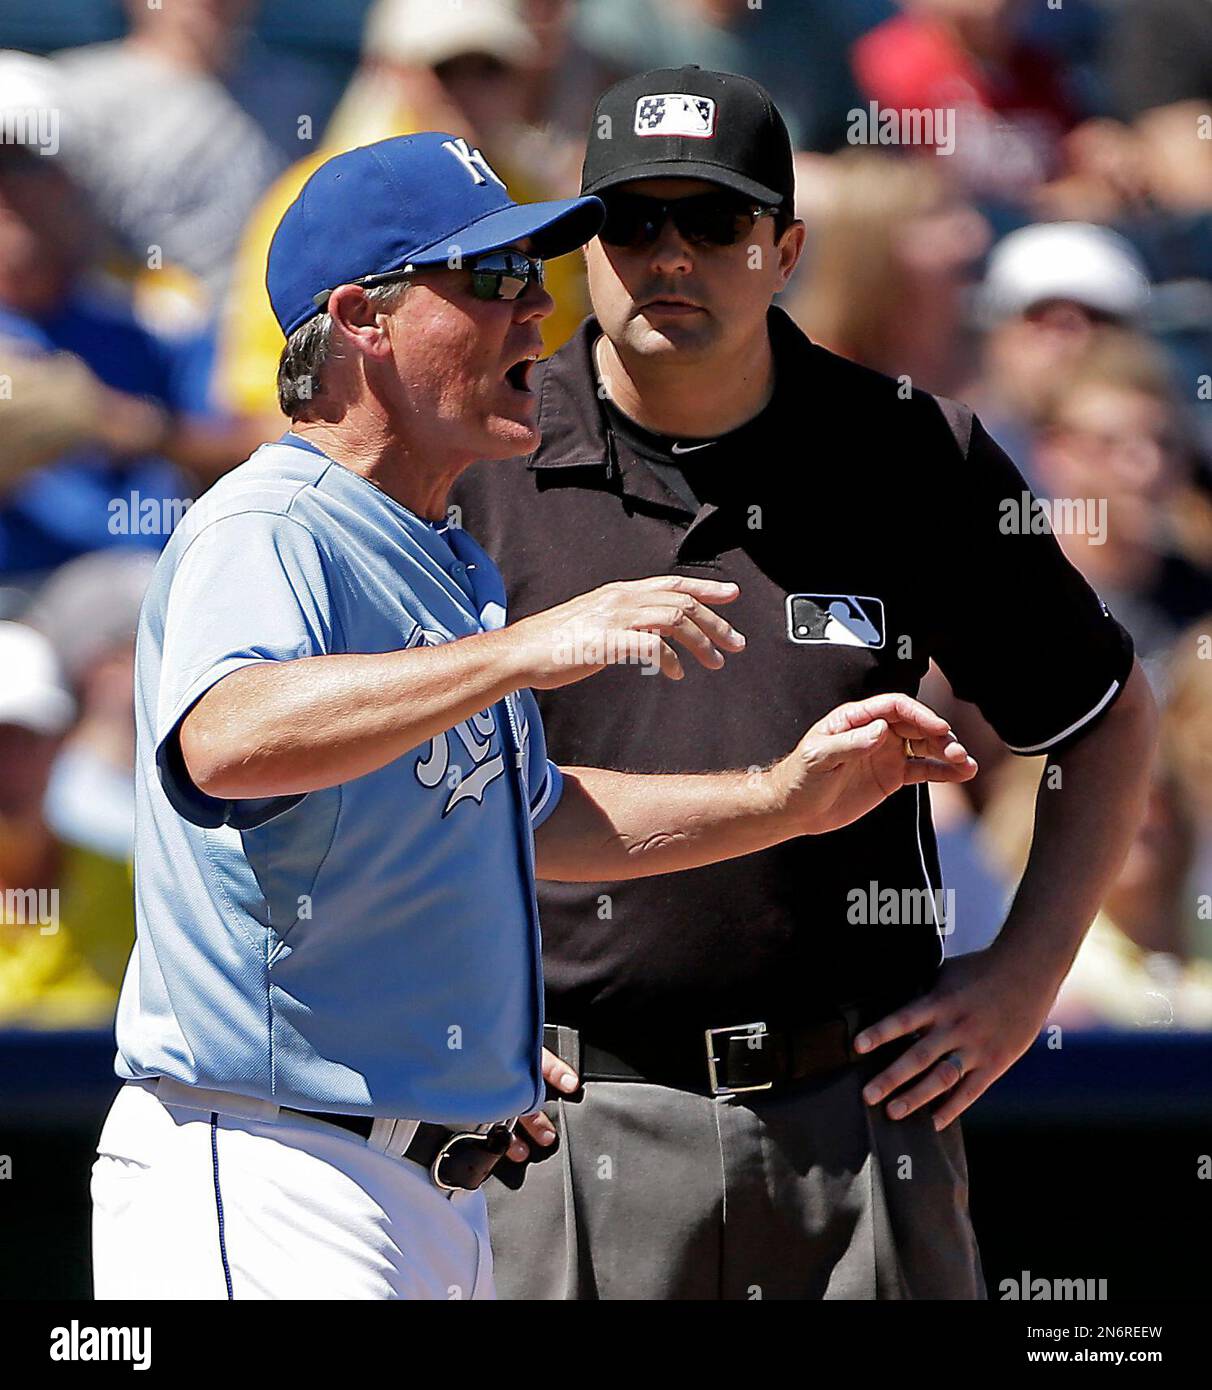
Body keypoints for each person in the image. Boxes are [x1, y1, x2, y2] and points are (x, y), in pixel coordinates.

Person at [89, 131, 978, 1301]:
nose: (537, 317)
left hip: (434, 1188)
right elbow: (228, 736)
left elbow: (534, 817)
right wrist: (516, 654)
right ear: (362, 318)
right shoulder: (272, 522)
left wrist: (784, 800)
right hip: (265, 1165)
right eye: (493, 283)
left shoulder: (441, 558)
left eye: (535, 281)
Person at [450, 66, 1157, 1299]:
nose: (668, 254)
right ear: (581, 246)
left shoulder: (907, 448)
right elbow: (364, 776)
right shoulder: (480, 458)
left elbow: (1102, 717)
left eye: (714, 222)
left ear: (783, 250)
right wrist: (448, 1008)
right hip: (563, 1126)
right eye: (630, 221)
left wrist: (1023, 976)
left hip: (855, 1120)